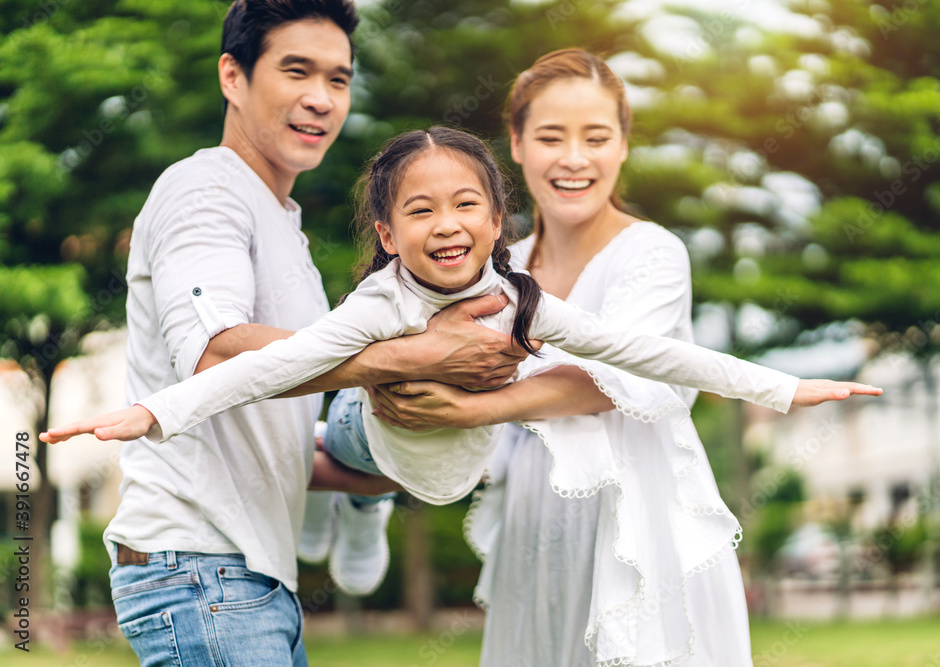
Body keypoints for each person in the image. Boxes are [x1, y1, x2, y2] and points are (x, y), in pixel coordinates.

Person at [44, 126, 879, 614]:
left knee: (401, 450)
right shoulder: (376, 303)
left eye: (466, 205)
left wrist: (785, 385)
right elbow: (275, 365)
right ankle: (358, 505)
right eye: (420, 210)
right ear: (386, 227)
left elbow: (648, 352)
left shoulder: (523, 301)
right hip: (373, 433)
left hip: (447, 466)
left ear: (496, 218)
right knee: (342, 414)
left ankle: (363, 504)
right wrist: (154, 413)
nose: (446, 226)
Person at [85, 2, 527, 664]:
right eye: (297, 71)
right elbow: (215, 352)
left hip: (243, 576)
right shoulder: (206, 192)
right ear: (233, 77)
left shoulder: (279, 221)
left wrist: (384, 458)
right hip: (201, 570)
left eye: (338, 79)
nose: (320, 99)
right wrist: (413, 354)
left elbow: (261, 427)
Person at [365, 49, 839, 666]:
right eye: (551, 136)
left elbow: (610, 377)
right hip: (538, 523)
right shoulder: (494, 265)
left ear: (622, 145)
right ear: (516, 142)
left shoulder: (652, 254)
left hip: (638, 523)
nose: (573, 158)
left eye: (596, 136)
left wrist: (469, 410)